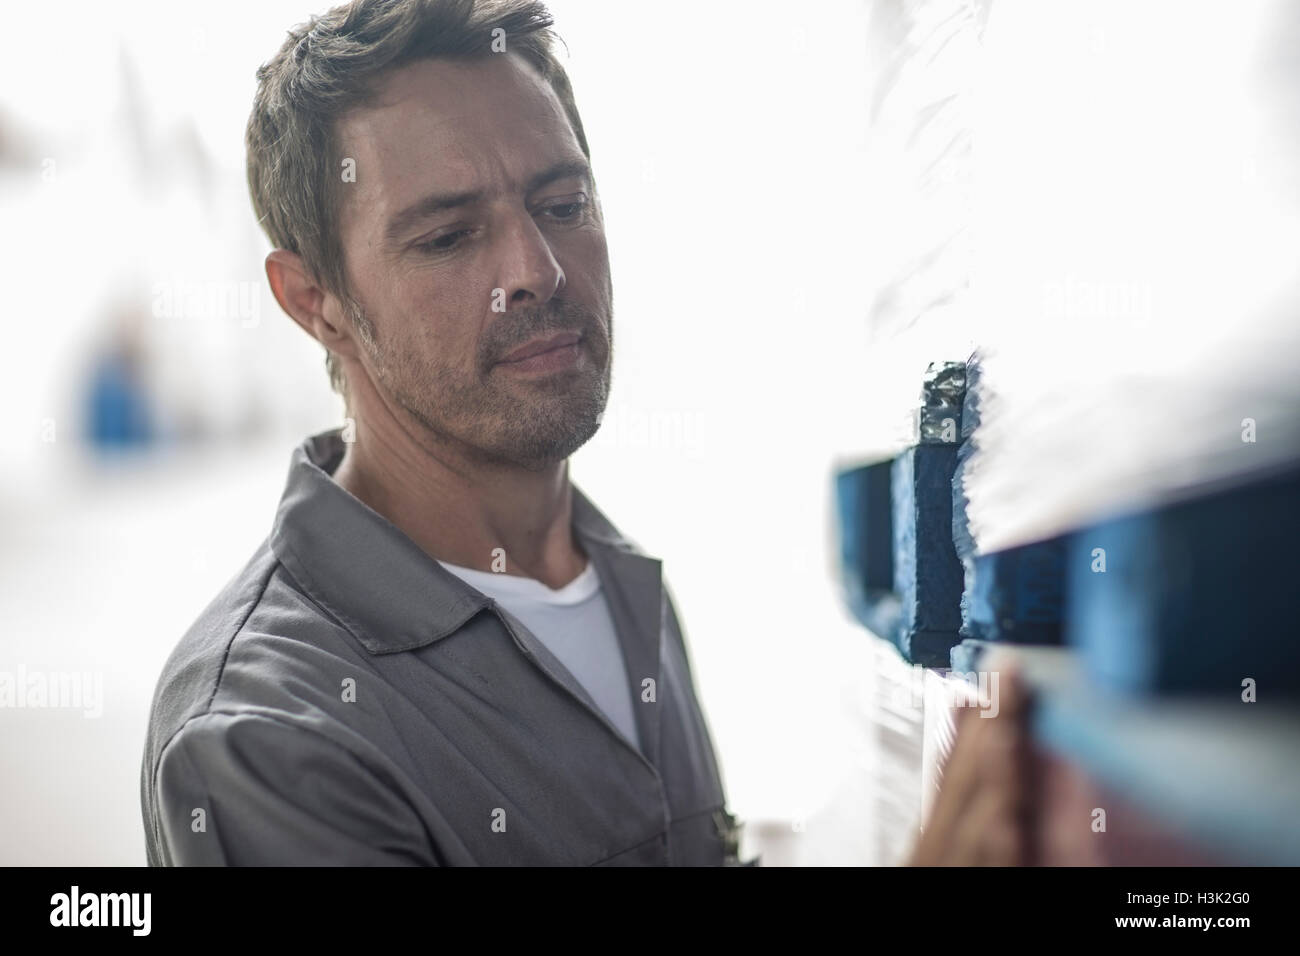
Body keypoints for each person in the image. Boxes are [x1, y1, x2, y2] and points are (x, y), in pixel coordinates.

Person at [139, 0, 1030, 866]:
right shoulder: (266, 741)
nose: (538, 269)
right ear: (313, 300)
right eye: (449, 237)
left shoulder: (615, 581)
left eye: (562, 205)